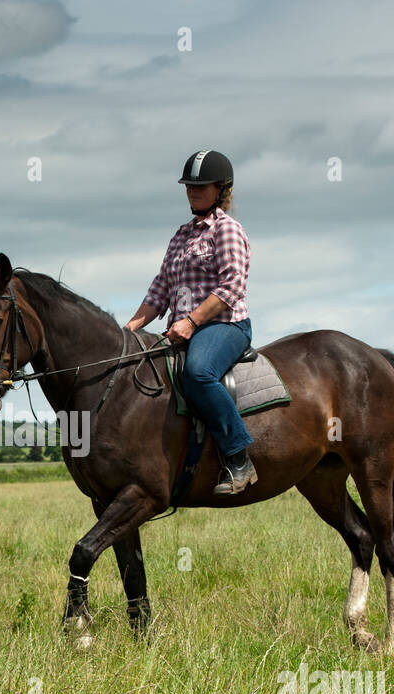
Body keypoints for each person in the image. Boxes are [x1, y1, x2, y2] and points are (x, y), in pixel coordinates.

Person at [126, 149, 256, 494]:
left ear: (221, 188)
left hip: (225, 326)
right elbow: (161, 288)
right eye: (189, 186)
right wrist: (130, 328)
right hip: (183, 329)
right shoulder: (181, 235)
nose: (193, 191)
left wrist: (191, 322)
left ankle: (239, 458)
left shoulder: (227, 230)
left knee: (197, 372)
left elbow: (232, 286)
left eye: (201, 186)